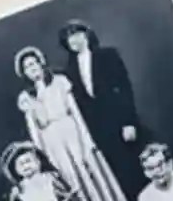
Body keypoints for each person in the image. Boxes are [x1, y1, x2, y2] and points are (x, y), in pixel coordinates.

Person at [15, 46, 126, 201]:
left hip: (72, 132)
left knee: (86, 171)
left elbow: (75, 113)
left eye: (34, 63)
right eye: (27, 67)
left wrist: (87, 141)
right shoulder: (27, 97)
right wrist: (41, 156)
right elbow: (34, 130)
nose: (32, 68)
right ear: (24, 73)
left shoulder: (60, 81)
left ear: (41, 63)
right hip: (52, 142)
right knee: (68, 177)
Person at [59, 20, 147, 197]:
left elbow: (124, 88)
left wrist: (129, 122)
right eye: (69, 39)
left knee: (134, 167)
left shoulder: (108, 56)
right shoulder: (68, 70)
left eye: (77, 35)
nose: (74, 41)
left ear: (86, 34)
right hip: (97, 130)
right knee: (115, 173)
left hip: (120, 121)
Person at [0, 141, 78, 201]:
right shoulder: (19, 190)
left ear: (38, 161)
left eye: (28, 161)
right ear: (15, 170)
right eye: (21, 164)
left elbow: (67, 194)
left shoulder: (51, 178)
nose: (26, 166)